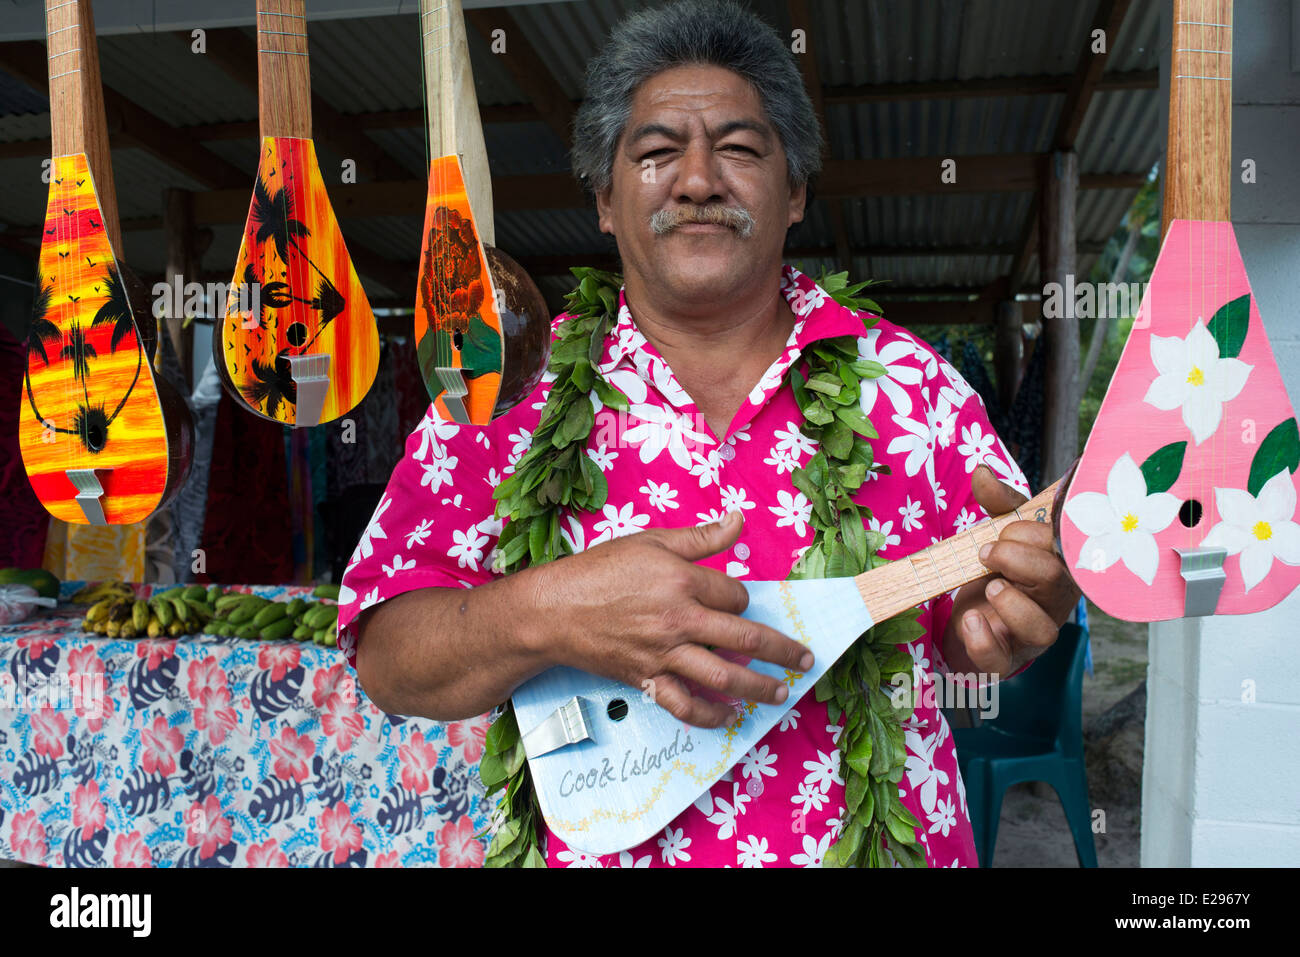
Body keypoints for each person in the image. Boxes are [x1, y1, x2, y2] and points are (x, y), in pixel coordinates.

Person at [337, 0, 1079, 867]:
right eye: (656, 152)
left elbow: (983, 629)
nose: (697, 180)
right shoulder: (502, 387)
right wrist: (547, 611)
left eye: (738, 148)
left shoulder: (914, 387)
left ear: (795, 190)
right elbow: (386, 658)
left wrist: (1023, 619)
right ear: (606, 202)